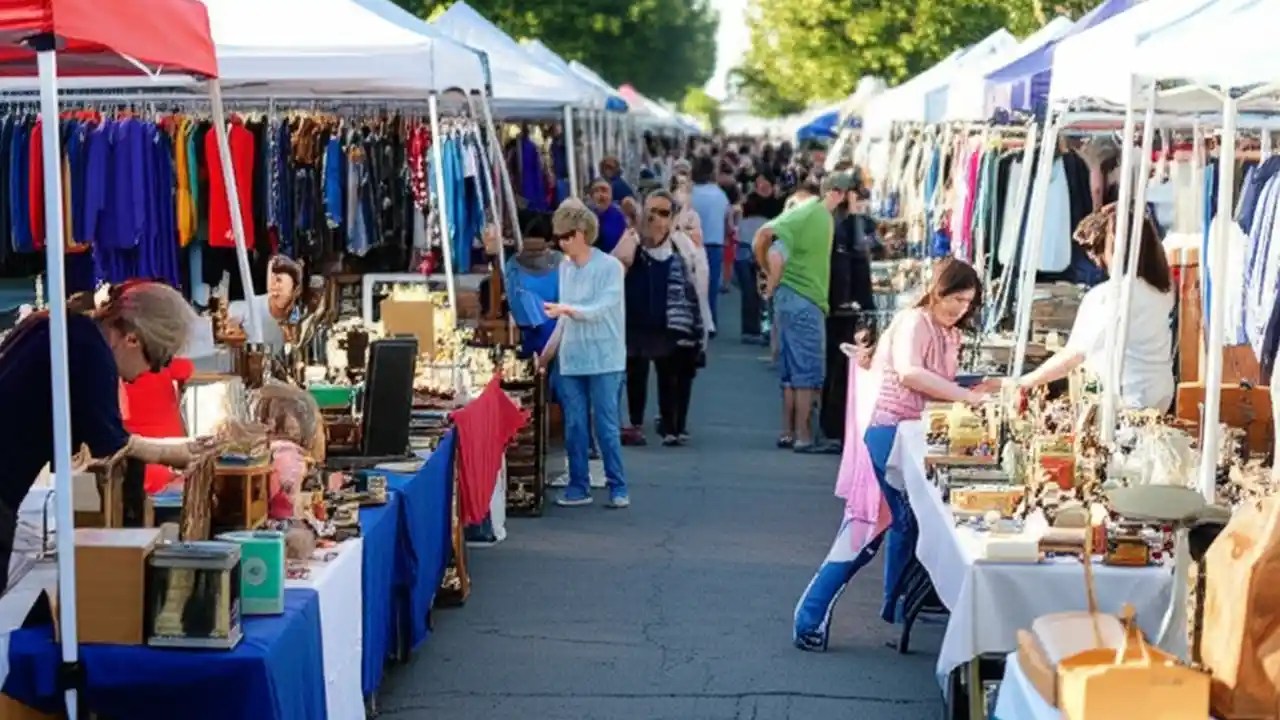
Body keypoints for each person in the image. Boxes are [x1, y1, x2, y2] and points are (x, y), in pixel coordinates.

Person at [793, 259, 994, 651]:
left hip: (910, 438)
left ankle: (892, 603)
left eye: (968, 302)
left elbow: (930, 379)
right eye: (955, 298)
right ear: (937, 291)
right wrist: (968, 396)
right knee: (873, 525)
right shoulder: (915, 321)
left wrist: (971, 388)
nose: (961, 308)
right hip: (889, 435)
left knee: (896, 522)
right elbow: (909, 372)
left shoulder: (945, 331)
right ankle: (812, 617)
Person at [0, 280, 210, 575]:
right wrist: (169, 453)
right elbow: (108, 442)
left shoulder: (62, 326)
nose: (152, 372)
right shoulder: (91, 352)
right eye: (158, 361)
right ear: (132, 339)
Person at [1017, 203, 1175, 410]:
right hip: (1160, 393)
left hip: (1124, 398)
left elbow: (1074, 355)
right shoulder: (1163, 292)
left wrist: (1023, 382)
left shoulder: (1107, 295)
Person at [539, 199, 630, 509]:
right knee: (575, 425)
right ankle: (579, 484)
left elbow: (601, 307)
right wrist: (547, 354)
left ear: (581, 234)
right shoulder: (565, 268)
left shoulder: (610, 267)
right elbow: (564, 319)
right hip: (572, 357)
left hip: (605, 356)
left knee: (606, 425)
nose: (562, 243)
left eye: (567, 236)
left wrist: (567, 309)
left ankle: (618, 485)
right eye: (559, 237)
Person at [753, 173, 851, 452]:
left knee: (791, 373)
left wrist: (772, 282)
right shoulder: (813, 214)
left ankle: (790, 432)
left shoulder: (814, 215)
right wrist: (770, 278)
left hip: (794, 297)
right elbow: (767, 239)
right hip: (804, 299)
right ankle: (805, 436)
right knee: (807, 372)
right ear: (839, 193)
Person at [614, 190, 712, 446]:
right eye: (651, 212)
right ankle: (635, 424)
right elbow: (617, 263)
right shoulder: (633, 240)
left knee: (671, 374)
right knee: (636, 374)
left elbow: (698, 288)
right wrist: (635, 230)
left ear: (673, 218)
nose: (656, 218)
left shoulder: (683, 246)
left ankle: (671, 427)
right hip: (636, 321)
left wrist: (701, 328)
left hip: (672, 323)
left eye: (663, 213)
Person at [120, 355, 196, 494]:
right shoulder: (160, 360)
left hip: (133, 456)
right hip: (170, 455)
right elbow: (185, 368)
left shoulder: (117, 366)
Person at [738, 172, 786, 342]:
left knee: (767, 291)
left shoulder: (778, 204)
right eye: (759, 183)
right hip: (746, 247)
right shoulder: (748, 202)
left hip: (768, 250)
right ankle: (750, 330)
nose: (762, 187)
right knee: (749, 291)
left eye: (765, 183)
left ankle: (767, 329)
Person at [226, 255, 303, 352]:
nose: (274, 287)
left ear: (295, 290)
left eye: (279, 281)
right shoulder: (247, 308)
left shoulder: (295, 316)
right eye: (271, 280)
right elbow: (228, 324)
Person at [690, 156, 731, 327]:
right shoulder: (720, 195)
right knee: (711, 286)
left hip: (691, 243)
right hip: (715, 243)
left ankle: (694, 321)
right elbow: (728, 221)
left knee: (692, 285)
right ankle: (710, 321)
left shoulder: (689, 194)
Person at [588, 178, 629, 254]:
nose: (601, 195)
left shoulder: (620, 217)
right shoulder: (585, 217)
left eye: (604, 190)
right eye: (596, 191)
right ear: (591, 196)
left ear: (611, 195)